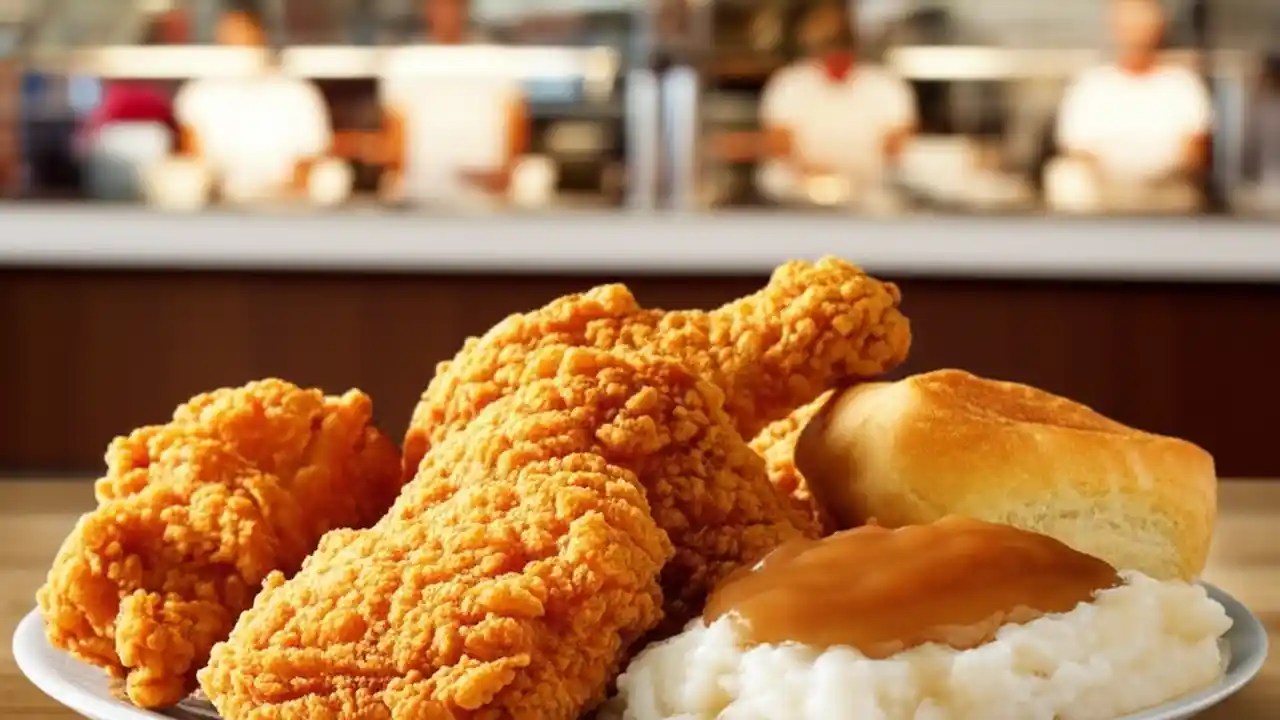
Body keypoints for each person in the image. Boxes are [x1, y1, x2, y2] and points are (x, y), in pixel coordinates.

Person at [1050, 0, 1212, 213]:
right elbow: (1076, 150)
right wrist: (1120, 171)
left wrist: (1149, 171)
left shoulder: (1183, 84)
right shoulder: (1091, 85)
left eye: (1142, 18)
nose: (1135, 28)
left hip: (1165, 191)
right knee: (1064, 178)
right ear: (1113, 25)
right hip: (1103, 191)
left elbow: (1195, 153)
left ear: (1160, 24)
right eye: (1127, 18)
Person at [169, 7, 338, 206]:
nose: (235, 44)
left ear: (261, 36)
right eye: (228, 37)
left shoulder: (297, 91)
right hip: (219, 192)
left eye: (242, 34)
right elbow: (193, 151)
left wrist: (286, 190)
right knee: (180, 179)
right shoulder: (198, 92)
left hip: (288, 193)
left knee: (331, 178)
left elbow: (310, 154)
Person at [754, 1, 917, 206]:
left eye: (843, 52)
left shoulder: (885, 85)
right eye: (831, 51)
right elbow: (779, 143)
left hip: (869, 191)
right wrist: (813, 174)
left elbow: (898, 143)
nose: (837, 60)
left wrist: (856, 175)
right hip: (798, 192)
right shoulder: (790, 82)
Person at [379, 0, 532, 207]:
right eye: (438, 5)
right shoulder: (405, 62)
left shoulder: (496, 60)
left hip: (486, 199)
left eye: (452, 5)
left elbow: (515, 120)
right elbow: (396, 133)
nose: (445, 12)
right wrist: (399, 178)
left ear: (466, 8)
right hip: (420, 195)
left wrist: (504, 174)